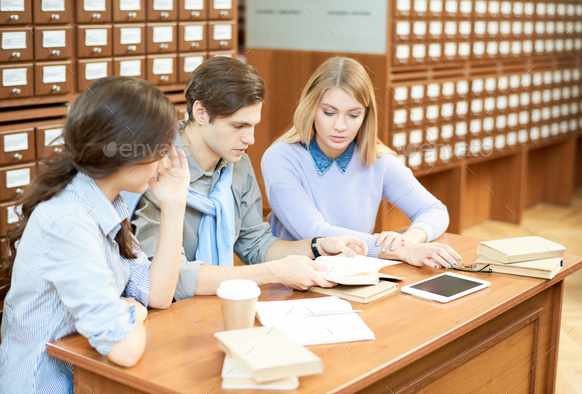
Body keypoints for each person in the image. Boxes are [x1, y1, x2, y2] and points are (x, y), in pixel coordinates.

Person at [0, 76, 190, 393]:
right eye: (159, 149)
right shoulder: (69, 220)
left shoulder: (106, 203)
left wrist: (173, 204)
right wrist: (130, 309)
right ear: (126, 153)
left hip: (84, 379)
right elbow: (125, 350)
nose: (163, 160)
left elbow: (158, 294)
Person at [129, 57, 368, 301]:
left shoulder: (237, 164)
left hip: (213, 307)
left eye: (253, 125)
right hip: (161, 316)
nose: (250, 139)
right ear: (200, 113)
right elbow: (167, 279)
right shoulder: (157, 168)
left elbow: (254, 243)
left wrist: (317, 246)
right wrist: (271, 273)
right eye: (238, 126)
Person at [261, 57, 462, 269]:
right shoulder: (280, 158)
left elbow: (434, 210)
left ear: (366, 115)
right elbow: (315, 232)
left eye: (353, 115)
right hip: (294, 282)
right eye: (329, 113)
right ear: (311, 108)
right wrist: (400, 251)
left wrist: (410, 239)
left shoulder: (378, 159)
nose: (340, 126)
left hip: (356, 274)